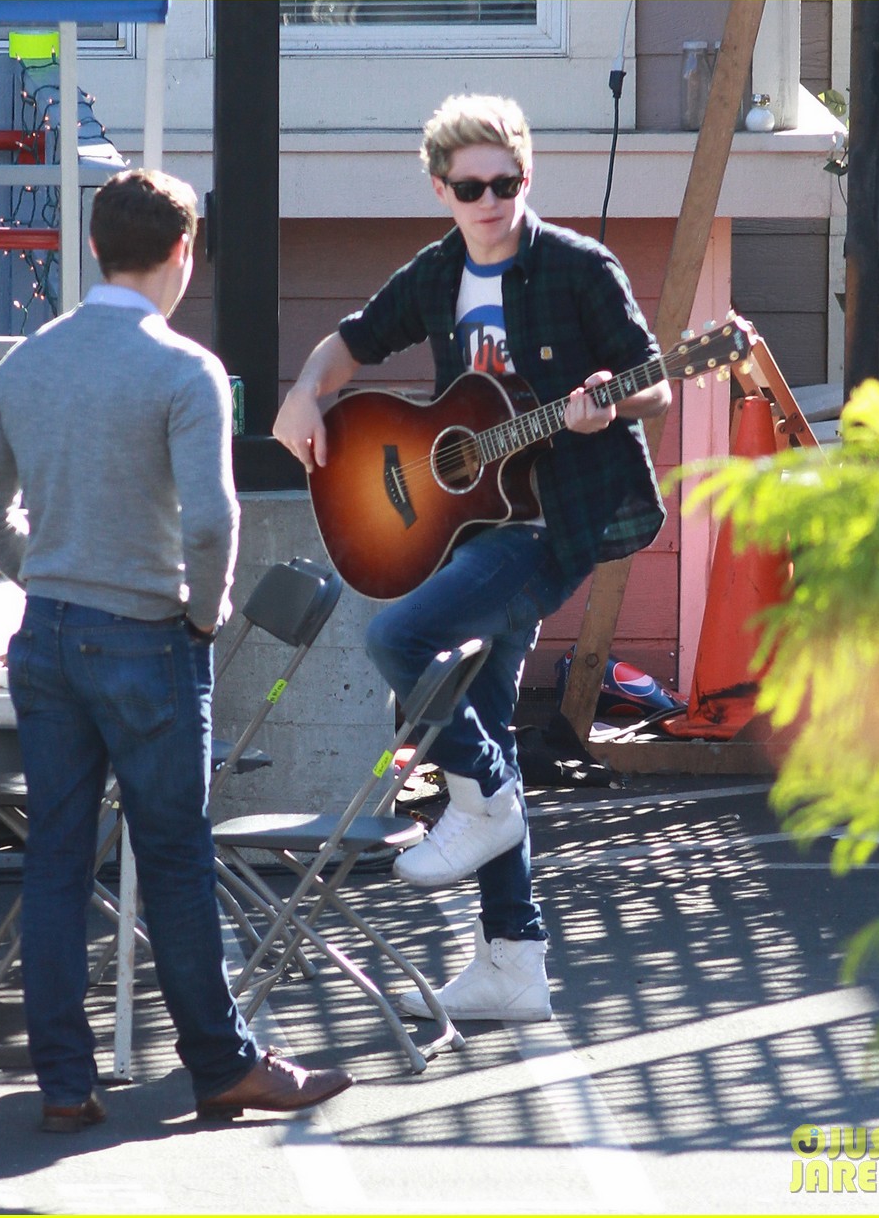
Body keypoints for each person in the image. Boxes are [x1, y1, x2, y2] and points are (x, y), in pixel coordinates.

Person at [0, 169, 352, 1131]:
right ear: (184, 252)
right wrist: (206, 613)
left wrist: (43, 573)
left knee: (54, 858)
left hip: (46, 633)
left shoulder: (22, 366)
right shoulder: (185, 370)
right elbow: (212, 520)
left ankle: (64, 1083)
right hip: (148, 636)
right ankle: (220, 1065)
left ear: (93, 247)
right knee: (171, 857)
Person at [273, 95, 671, 1022]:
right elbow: (352, 342)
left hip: (550, 524)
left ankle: (484, 796)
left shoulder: (577, 268)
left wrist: (608, 405)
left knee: (399, 639)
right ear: (442, 189)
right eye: (470, 187)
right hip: (470, 525)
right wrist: (301, 394)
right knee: (478, 723)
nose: (490, 200)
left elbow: (650, 375)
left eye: (506, 183)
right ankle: (513, 963)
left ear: (526, 178)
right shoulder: (440, 270)